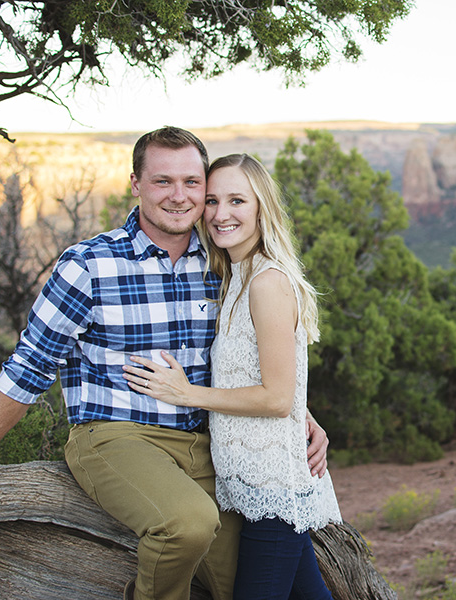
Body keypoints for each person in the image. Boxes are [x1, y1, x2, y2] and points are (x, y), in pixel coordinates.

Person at [0, 128, 330, 600]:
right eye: (162, 181)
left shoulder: (219, 263)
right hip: (115, 434)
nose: (179, 196)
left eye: (193, 184)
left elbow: (250, 358)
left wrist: (299, 415)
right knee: (187, 524)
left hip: (207, 444)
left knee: (246, 584)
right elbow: (29, 366)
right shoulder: (88, 265)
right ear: (135, 183)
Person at [123, 154, 342, 599]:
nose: (222, 214)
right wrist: (306, 414)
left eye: (237, 200)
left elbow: (278, 398)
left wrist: (188, 394)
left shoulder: (266, 282)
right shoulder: (235, 274)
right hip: (249, 483)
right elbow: (278, 378)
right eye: (212, 201)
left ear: (262, 206)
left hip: (273, 488)